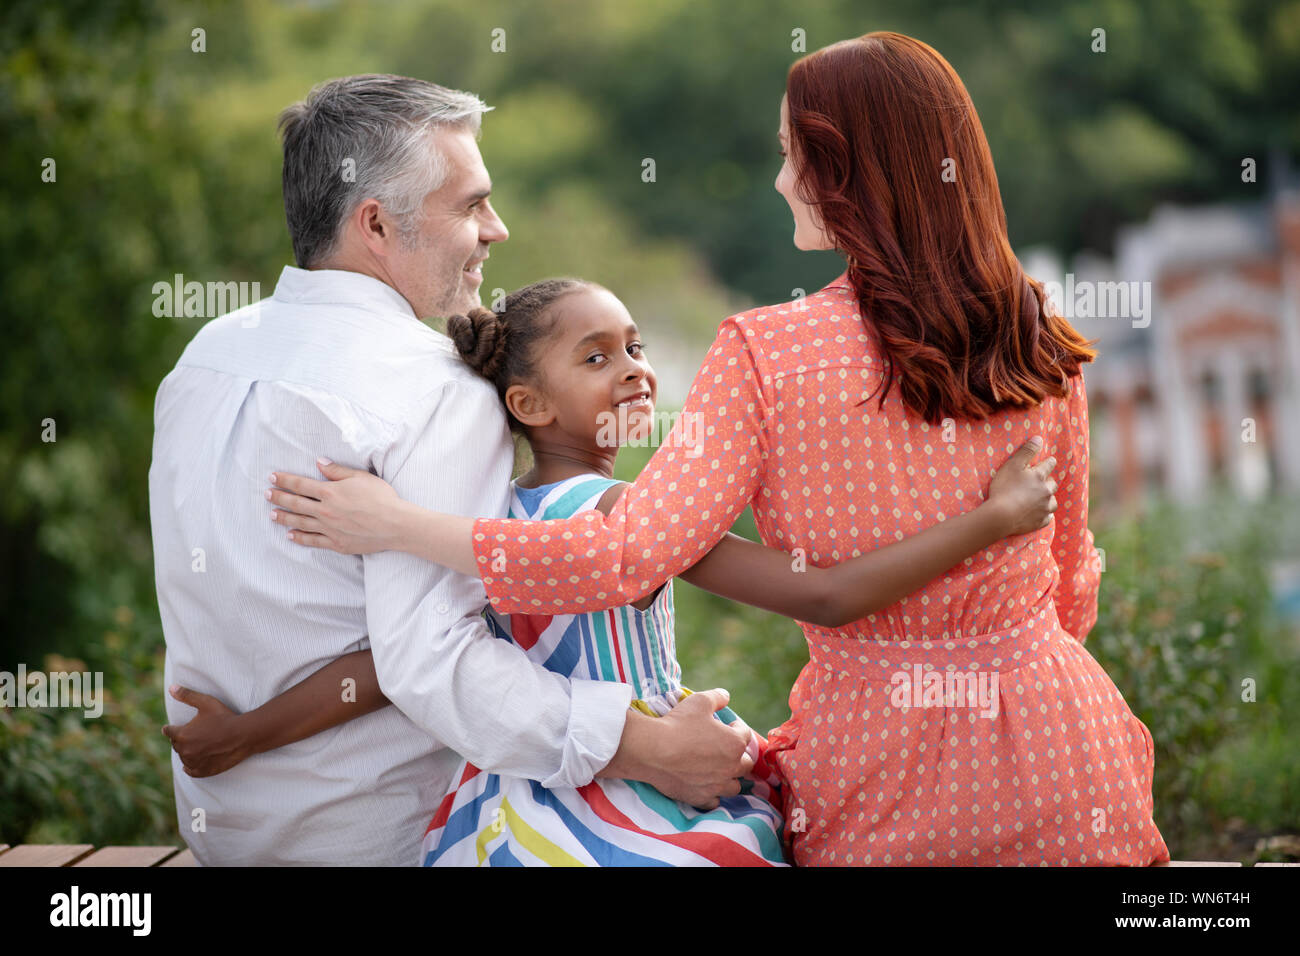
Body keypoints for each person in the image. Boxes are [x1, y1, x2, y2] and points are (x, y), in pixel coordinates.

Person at [264, 35, 1170, 865]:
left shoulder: (766, 355)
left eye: (792, 154)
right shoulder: (1041, 334)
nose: (781, 181)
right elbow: (1070, 584)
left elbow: (622, 557)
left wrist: (399, 526)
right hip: (1065, 755)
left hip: (886, 782)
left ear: (844, 170)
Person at [168, 276, 1058, 866]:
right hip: (617, 793)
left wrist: (247, 736)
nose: (634, 372)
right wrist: (992, 519)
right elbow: (825, 593)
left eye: (634, 347)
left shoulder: (483, 521)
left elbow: (393, 672)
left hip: (509, 806)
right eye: (595, 358)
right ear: (528, 404)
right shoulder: (623, 521)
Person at [150, 74, 757, 866]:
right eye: (471, 205)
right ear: (376, 224)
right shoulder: (434, 389)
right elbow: (430, 660)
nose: (496, 229)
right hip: (384, 840)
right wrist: (645, 748)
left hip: (223, 834)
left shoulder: (207, 356)